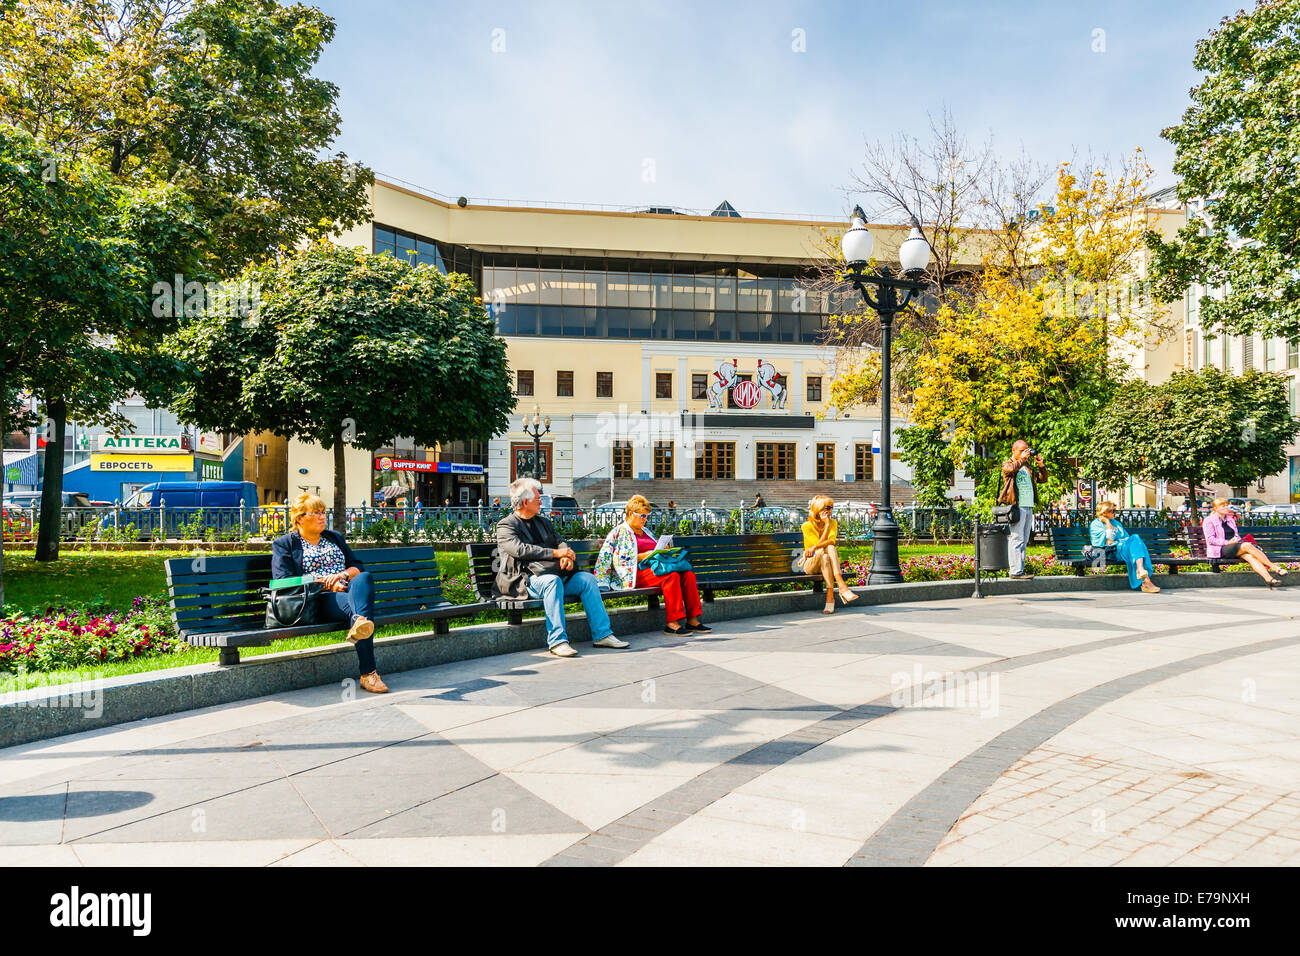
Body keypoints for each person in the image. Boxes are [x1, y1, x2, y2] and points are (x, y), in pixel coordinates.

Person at [496, 477, 628, 656]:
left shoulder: (542, 522)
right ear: (525, 501)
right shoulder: (506, 525)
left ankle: (602, 635)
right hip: (524, 582)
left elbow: (559, 541)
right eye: (538, 498)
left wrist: (566, 553)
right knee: (552, 581)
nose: (541, 501)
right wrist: (556, 554)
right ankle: (557, 641)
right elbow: (520, 550)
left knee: (587, 580)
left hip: (553, 574)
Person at [271, 493, 387, 694]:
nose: (322, 517)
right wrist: (325, 584)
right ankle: (369, 674)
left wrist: (341, 575)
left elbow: (356, 565)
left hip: (348, 590)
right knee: (362, 613)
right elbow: (284, 581)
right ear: (299, 518)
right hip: (318, 599)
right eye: (315, 513)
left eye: (323, 513)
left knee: (364, 578)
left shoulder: (334, 538)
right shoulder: (285, 544)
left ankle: (359, 625)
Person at [594, 494, 710, 635]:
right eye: (642, 516)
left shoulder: (647, 532)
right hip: (633, 573)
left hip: (653, 569)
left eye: (647, 516)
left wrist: (663, 550)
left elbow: (654, 551)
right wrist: (643, 556)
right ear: (631, 514)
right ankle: (672, 623)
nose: (645, 519)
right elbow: (611, 558)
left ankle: (692, 620)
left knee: (688, 575)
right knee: (671, 576)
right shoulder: (619, 532)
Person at [1203, 497, 1286, 586]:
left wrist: (1236, 539)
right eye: (1222, 506)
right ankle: (1274, 567)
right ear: (1215, 509)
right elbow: (1210, 540)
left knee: (1250, 557)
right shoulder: (1209, 520)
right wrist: (1227, 542)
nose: (1226, 507)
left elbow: (1236, 534)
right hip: (1219, 550)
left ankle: (1269, 579)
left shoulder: (1230, 520)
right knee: (1247, 545)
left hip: (1234, 548)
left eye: (1227, 505)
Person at [800, 494, 859, 613]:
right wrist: (826, 525)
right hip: (810, 563)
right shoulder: (807, 526)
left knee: (827, 554)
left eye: (831, 507)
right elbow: (817, 548)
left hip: (823, 559)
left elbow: (831, 541)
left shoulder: (833, 522)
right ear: (818, 508)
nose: (830, 510)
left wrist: (827, 524)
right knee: (826, 549)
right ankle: (842, 586)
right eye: (827, 507)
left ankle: (830, 597)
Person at [999, 440, 1047, 580]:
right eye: (1022, 450)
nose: (1026, 453)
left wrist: (1041, 465)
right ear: (1013, 451)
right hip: (1017, 506)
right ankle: (1015, 571)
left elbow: (1042, 479)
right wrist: (1022, 459)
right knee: (1016, 539)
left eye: (1027, 450)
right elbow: (1009, 470)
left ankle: (1020, 570)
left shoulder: (1027, 466)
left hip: (1028, 506)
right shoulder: (1008, 464)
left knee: (1024, 540)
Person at [1090, 502, 1160, 593]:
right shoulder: (1096, 524)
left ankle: (1142, 572)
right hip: (1112, 552)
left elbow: (1125, 537)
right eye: (1112, 511)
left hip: (1122, 549)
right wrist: (1107, 522)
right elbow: (1108, 542)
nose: (1115, 513)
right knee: (1136, 542)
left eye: (1115, 510)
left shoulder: (1116, 522)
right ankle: (1144, 577)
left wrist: (1122, 541)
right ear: (1104, 512)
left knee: (1135, 539)